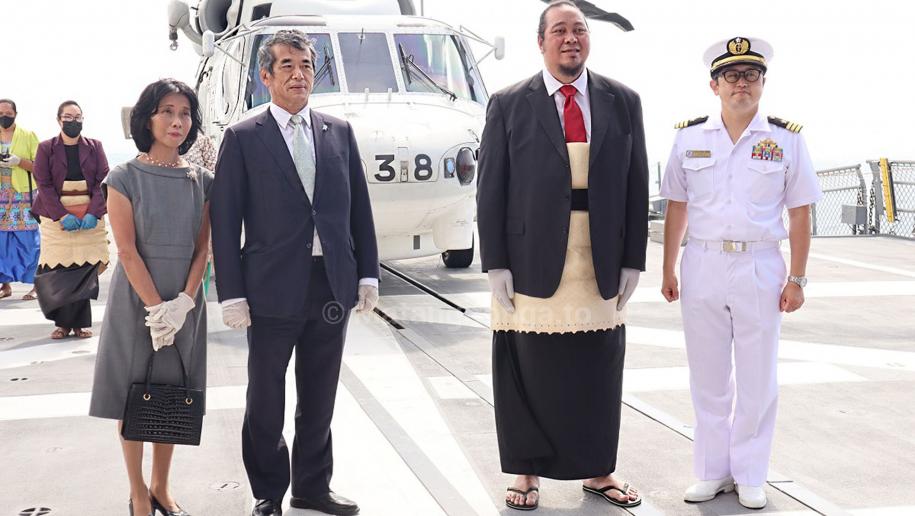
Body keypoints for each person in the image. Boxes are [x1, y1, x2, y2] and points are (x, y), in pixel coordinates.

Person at [476, 1, 648, 510]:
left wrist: (633, 258)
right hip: (530, 254)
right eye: (559, 31)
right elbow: (491, 188)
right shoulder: (508, 103)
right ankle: (525, 473)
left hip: (599, 253)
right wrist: (495, 262)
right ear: (541, 42)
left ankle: (599, 470)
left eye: (579, 30)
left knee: (599, 365)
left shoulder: (623, 100)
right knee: (525, 366)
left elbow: (637, 183)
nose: (570, 38)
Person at [210, 29, 379, 516]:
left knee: (320, 393)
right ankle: (268, 490)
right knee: (266, 395)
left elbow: (358, 211)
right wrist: (232, 294)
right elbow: (226, 221)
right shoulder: (243, 138)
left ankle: (312, 486)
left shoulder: (339, 133)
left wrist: (367, 274)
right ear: (266, 76)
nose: (299, 73)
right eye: (286, 65)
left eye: (305, 64)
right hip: (269, 289)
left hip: (330, 283)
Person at [659, 36, 822, 509]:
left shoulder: (785, 138)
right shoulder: (689, 137)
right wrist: (668, 267)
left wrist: (798, 277)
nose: (741, 84)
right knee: (707, 376)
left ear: (762, 83)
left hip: (759, 263)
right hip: (703, 262)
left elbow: (799, 212)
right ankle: (712, 470)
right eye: (731, 75)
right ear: (714, 85)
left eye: (751, 75)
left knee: (757, 377)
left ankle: (751, 473)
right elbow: (677, 205)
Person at [88, 79, 212, 516]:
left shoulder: (203, 181)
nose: (178, 121)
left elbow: (203, 249)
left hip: (184, 302)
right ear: (147, 118)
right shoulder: (123, 176)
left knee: (173, 393)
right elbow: (125, 249)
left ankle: (162, 485)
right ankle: (137, 490)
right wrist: (157, 308)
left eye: (185, 113)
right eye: (167, 112)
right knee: (133, 392)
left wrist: (183, 304)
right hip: (136, 302)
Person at [31, 100, 110, 339]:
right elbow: (42, 184)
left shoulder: (95, 147)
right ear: (59, 120)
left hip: (88, 212)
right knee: (57, 269)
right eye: (68, 117)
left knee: (84, 269)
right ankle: (62, 324)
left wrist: (92, 213)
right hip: (56, 215)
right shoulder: (46, 148)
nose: (73, 122)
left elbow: (103, 181)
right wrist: (62, 215)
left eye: (78, 117)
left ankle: (80, 324)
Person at [0, 98, 40, 300]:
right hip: (0, 195)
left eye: (8, 113)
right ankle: (4, 284)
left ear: (16, 113)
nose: (4, 117)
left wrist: (18, 161)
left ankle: (36, 284)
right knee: (1, 241)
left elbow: (41, 166)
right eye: (0, 114)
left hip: (23, 195)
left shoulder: (28, 135)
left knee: (29, 240)